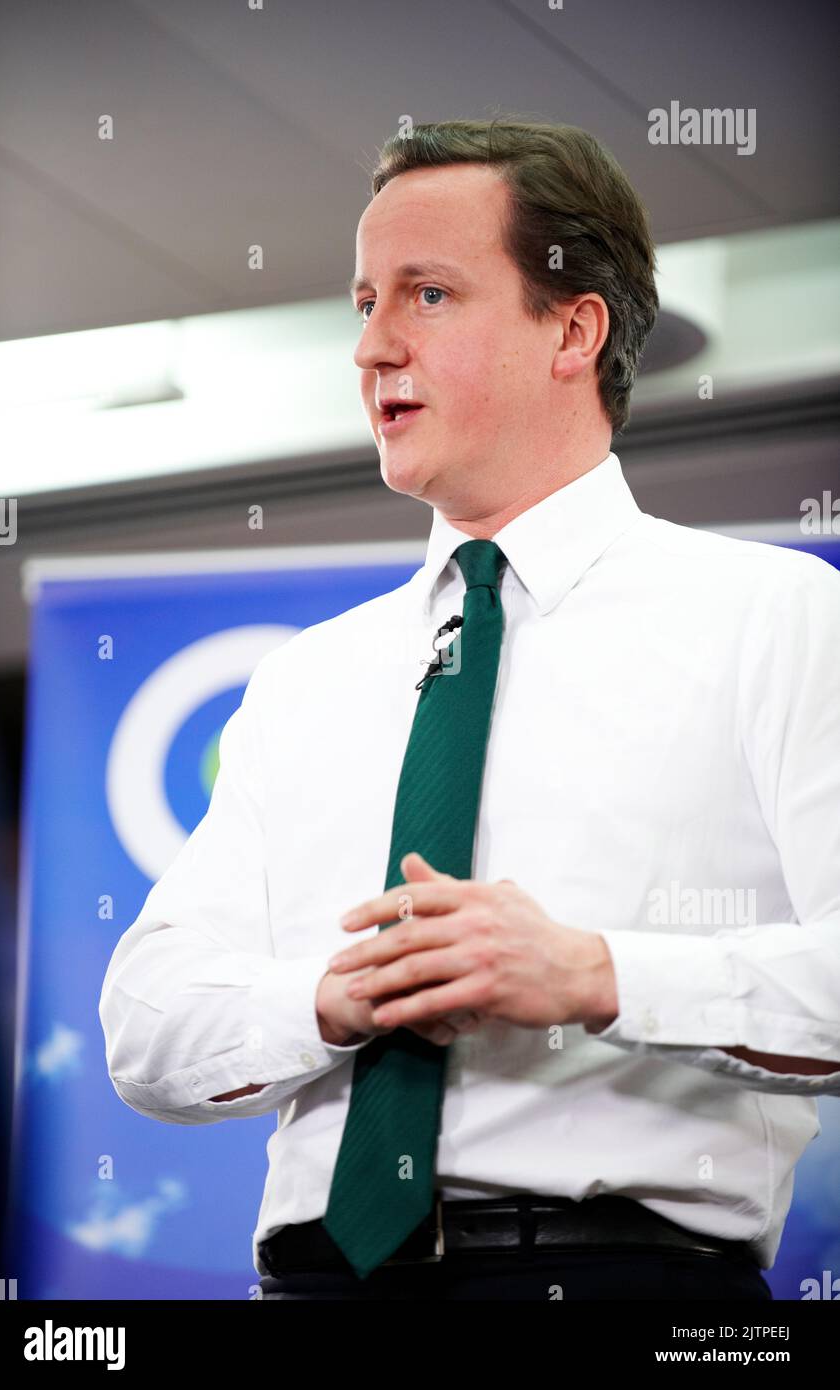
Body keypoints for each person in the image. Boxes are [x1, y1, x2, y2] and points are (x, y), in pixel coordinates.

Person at [99, 119, 840, 1302]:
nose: (371, 346)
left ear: (573, 327)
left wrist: (597, 974)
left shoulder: (774, 616)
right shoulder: (309, 677)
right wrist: (323, 1001)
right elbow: (145, 1025)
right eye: (362, 302)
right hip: (310, 1285)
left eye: (427, 295)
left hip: (617, 1285)